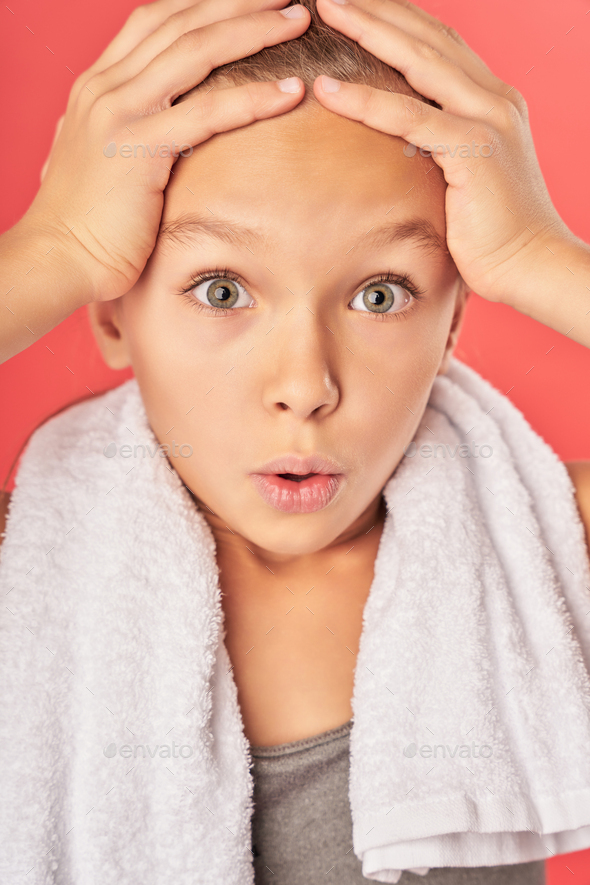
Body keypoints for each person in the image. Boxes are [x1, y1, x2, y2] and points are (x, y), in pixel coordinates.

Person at [1, 1, 590, 883]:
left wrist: (540, 254)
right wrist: (56, 245)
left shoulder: (544, 550)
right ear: (111, 313)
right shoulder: (22, 563)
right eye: (222, 290)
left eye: (381, 293)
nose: (306, 385)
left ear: (453, 322)